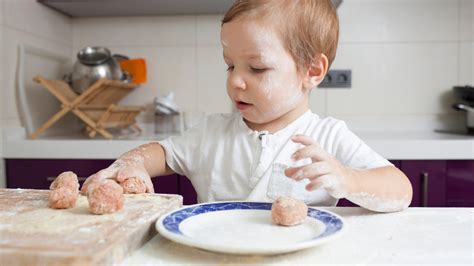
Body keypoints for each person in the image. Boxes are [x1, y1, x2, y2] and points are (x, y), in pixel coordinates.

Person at [82, 0, 412, 212]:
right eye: (230, 66)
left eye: (256, 68)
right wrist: (134, 163)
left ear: (311, 71)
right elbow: (162, 153)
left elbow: (400, 189)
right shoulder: (211, 133)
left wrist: (348, 180)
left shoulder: (328, 137)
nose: (235, 82)